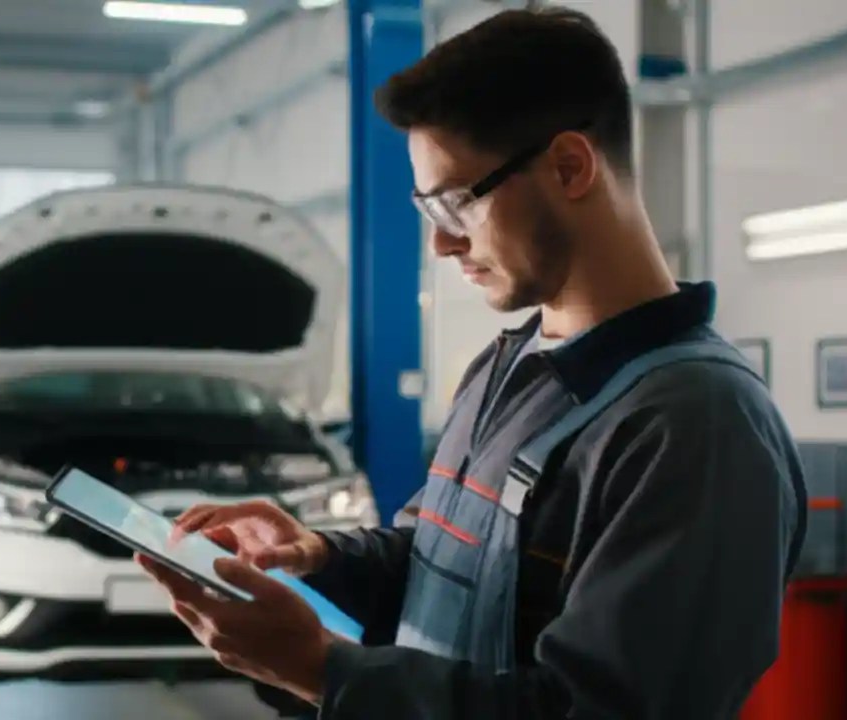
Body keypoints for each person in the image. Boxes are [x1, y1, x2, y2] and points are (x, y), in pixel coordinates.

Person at [136, 8, 807, 719]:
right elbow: (443, 565)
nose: (443, 246)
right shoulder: (505, 369)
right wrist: (319, 559)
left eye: (457, 203)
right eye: (429, 212)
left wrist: (323, 672)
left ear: (571, 167)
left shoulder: (695, 426)